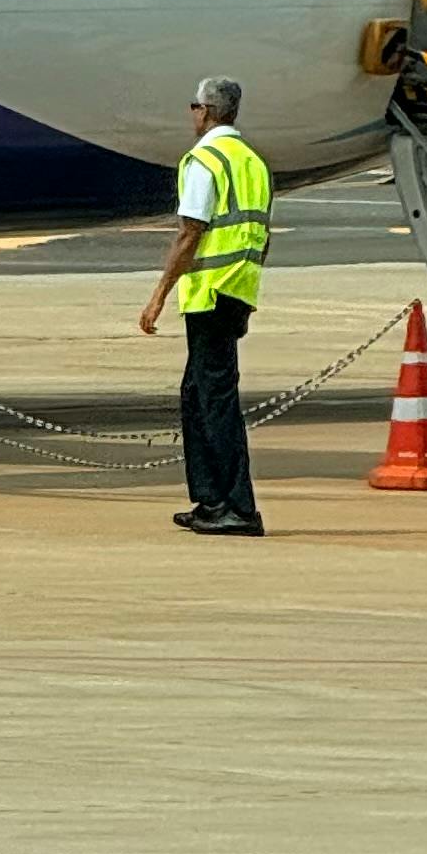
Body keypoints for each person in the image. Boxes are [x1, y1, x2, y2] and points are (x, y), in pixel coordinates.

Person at [140, 73, 272, 536]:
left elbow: (190, 232)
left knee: (214, 401)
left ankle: (238, 506)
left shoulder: (205, 160)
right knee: (197, 394)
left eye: (194, 106)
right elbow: (262, 232)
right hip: (236, 290)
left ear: (207, 112)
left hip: (210, 293)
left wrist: (158, 295)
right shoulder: (252, 161)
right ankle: (211, 500)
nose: (192, 114)